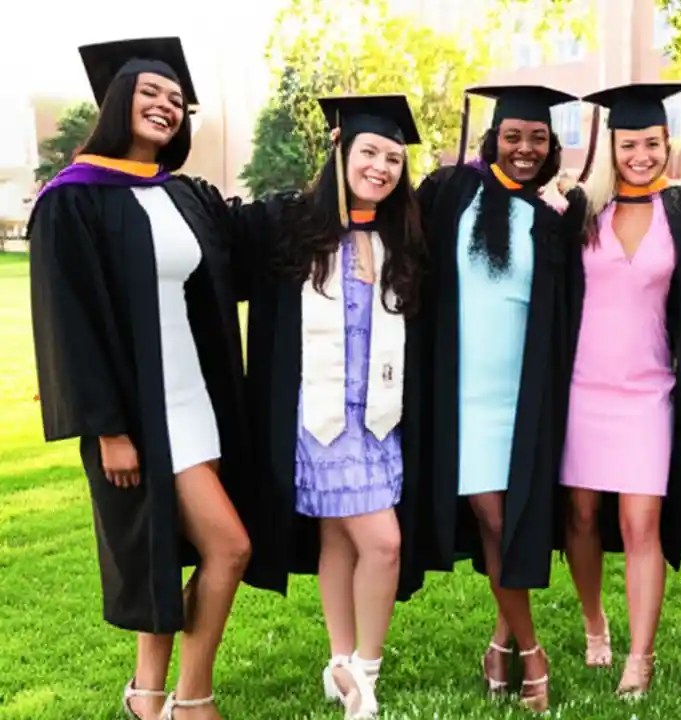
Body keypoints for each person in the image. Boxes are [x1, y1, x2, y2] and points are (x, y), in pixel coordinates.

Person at [28, 37, 266, 720]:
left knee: (169, 557)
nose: (165, 105)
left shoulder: (180, 195)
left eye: (176, 99)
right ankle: (193, 700)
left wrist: (335, 176)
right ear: (117, 104)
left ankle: (147, 695)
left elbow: (240, 254)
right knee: (230, 547)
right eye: (150, 93)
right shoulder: (73, 200)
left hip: (197, 400)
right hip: (139, 413)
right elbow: (67, 321)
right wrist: (108, 430)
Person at [215, 95, 430, 720]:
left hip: (380, 418)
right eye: (369, 152)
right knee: (383, 543)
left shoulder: (401, 236)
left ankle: (341, 662)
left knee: (340, 536)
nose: (381, 167)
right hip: (320, 419)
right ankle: (367, 673)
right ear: (340, 152)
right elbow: (225, 233)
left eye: (393, 159)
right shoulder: (292, 228)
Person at [415, 84, 578, 713]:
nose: (524, 148)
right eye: (513, 136)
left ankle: (499, 644)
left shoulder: (549, 220)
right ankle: (532, 652)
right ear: (494, 139)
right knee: (492, 517)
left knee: (514, 519)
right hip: (466, 392)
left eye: (537, 138)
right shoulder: (452, 192)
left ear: (551, 145)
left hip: (523, 394)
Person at [560, 82, 681, 696]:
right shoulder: (582, 210)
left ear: (667, 143)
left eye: (652, 143)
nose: (641, 155)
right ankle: (595, 623)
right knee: (580, 515)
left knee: (640, 521)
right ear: (611, 147)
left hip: (650, 389)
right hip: (582, 387)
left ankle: (640, 657)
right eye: (630, 144)